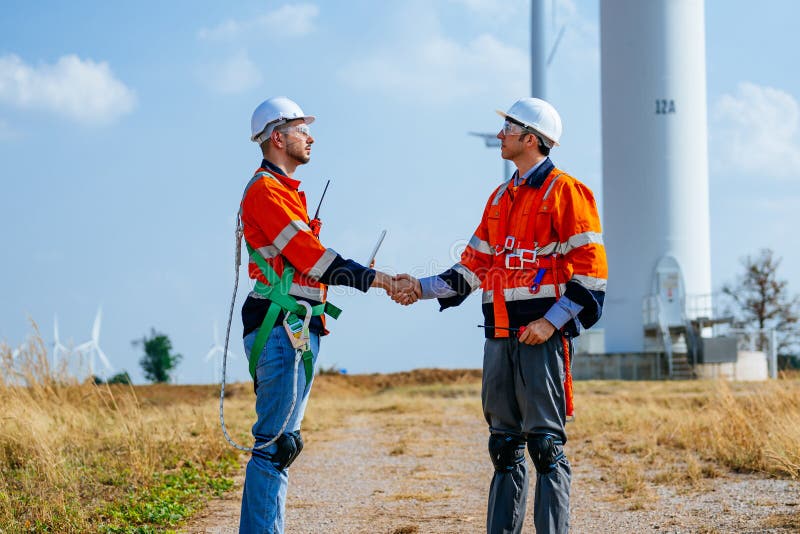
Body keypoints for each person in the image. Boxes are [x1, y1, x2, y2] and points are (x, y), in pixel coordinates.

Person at [395, 98, 608, 533]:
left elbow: (592, 273)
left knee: (545, 446)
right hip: (498, 338)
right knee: (504, 447)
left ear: (530, 139)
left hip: (542, 340)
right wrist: (418, 289)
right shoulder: (500, 197)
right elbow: (472, 267)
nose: (499, 136)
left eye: (507, 129)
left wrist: (551, 322)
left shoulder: (567, 192)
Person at [238, 96, 411, 533]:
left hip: (295, 328)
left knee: (283, 446)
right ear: (277, 138)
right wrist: (381, 279)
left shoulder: (286, 192)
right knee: (275, 446)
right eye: (301, 129)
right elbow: (314, 259)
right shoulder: (265, 192)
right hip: (280, 328)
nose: (310, 136)